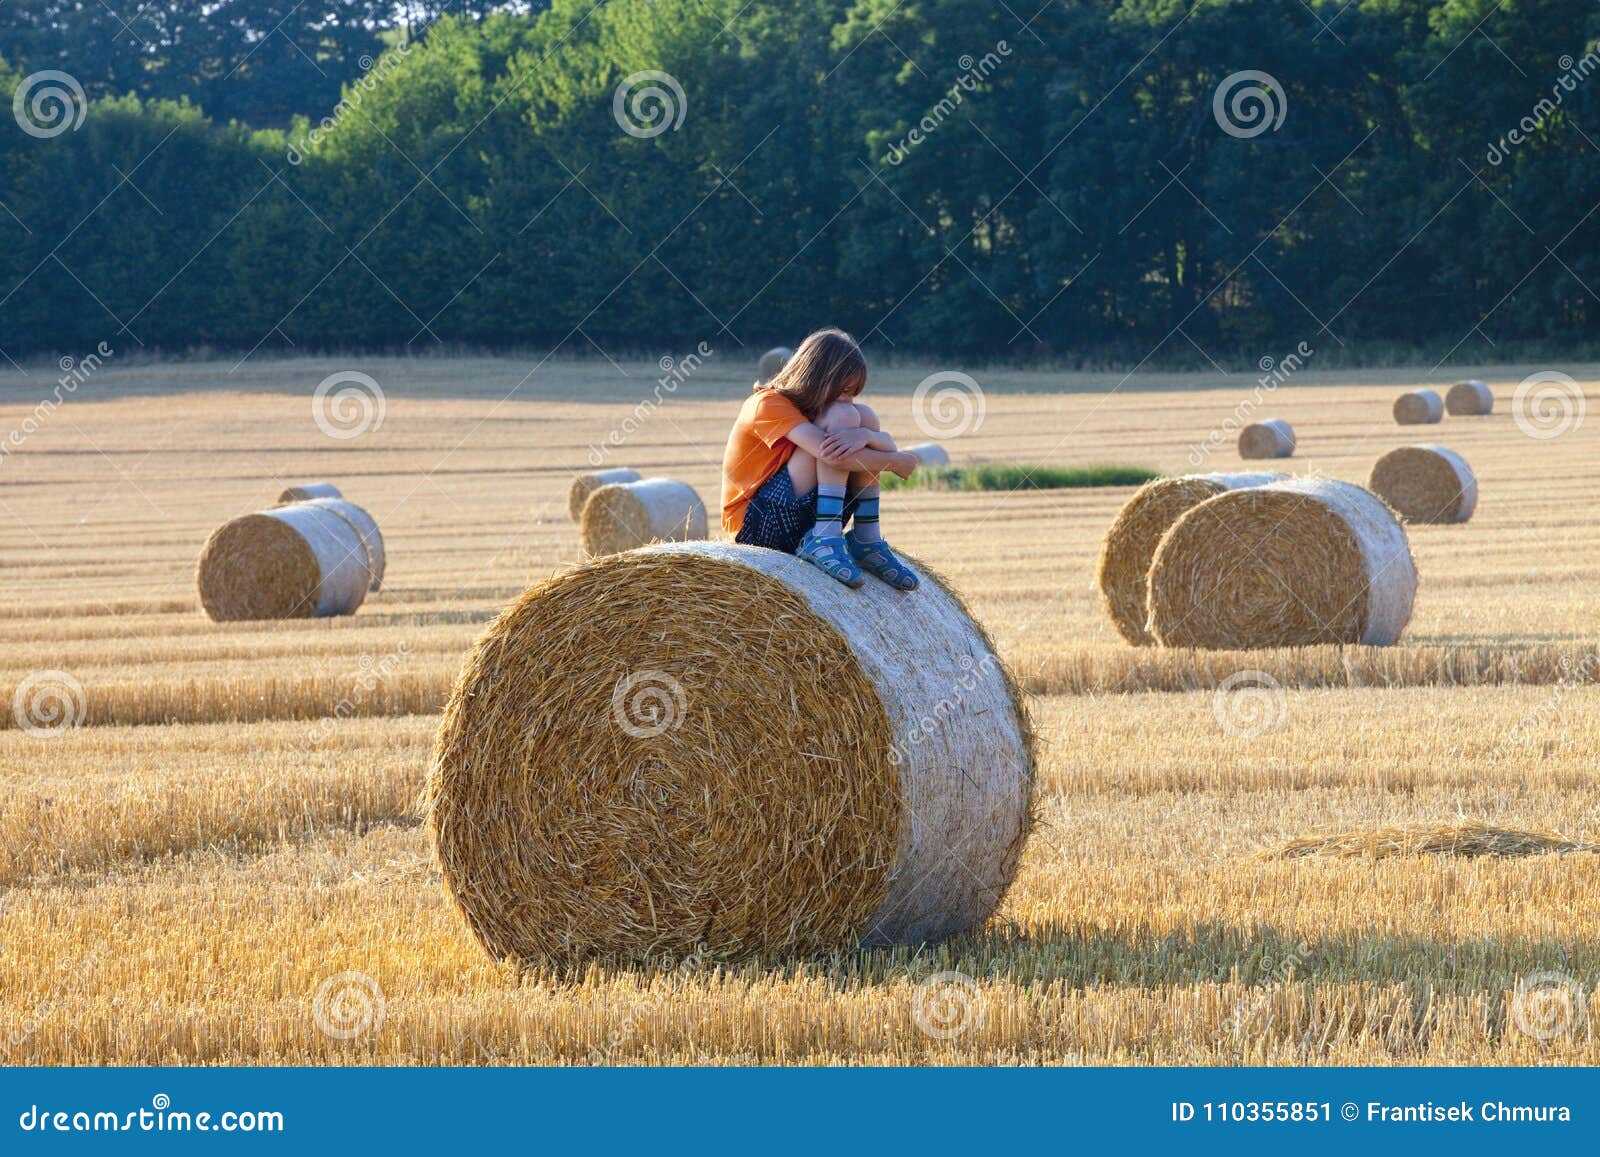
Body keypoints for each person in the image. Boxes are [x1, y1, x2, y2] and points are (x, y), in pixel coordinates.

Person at [720, 328, 919, 589]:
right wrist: (896, 461)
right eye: (843, 390)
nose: (848, 398)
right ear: (817, 376)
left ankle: (866, 539)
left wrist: (865, 435)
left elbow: (874, 446)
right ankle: (825, 537)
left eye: (852, 392)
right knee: (844, 417)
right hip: (756, 529)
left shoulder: (818, 411)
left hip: (802, 516)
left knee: (864, 415)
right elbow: (834, 457)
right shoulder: (766, 403)